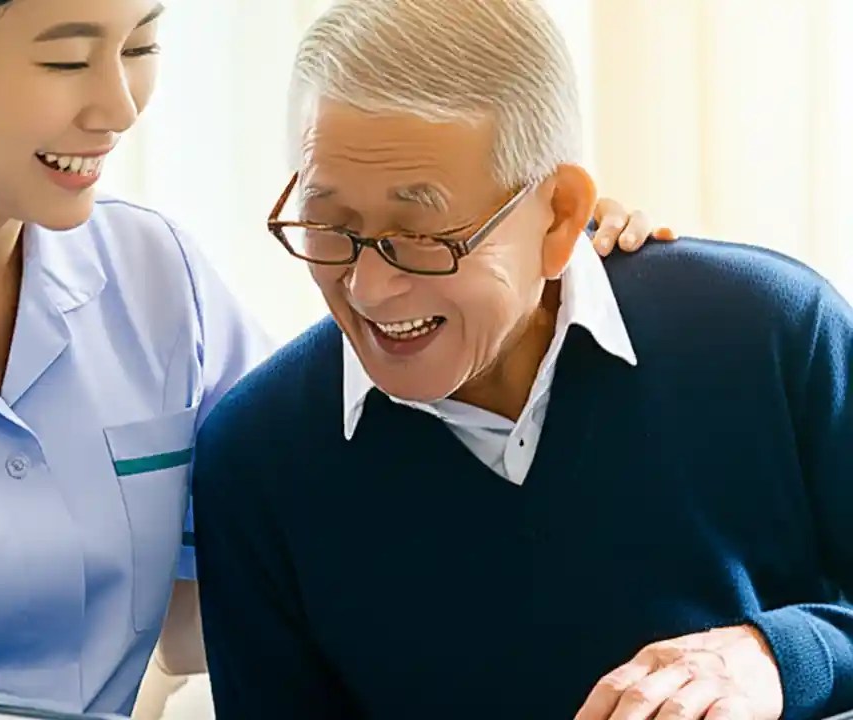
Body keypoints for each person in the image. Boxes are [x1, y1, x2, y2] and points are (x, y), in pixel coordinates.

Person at [0, 0, 663, 718]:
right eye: (66, 57)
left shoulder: (161, 281)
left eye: (139, 46)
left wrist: (531, 250)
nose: (118, 104)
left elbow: (309, 538)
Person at [191, 1, 853, 719]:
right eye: (331, 224)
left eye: (422, 234)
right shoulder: (255, 459)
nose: (366, 287)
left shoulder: (773, 331)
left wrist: (772, 659)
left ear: (562, 213)